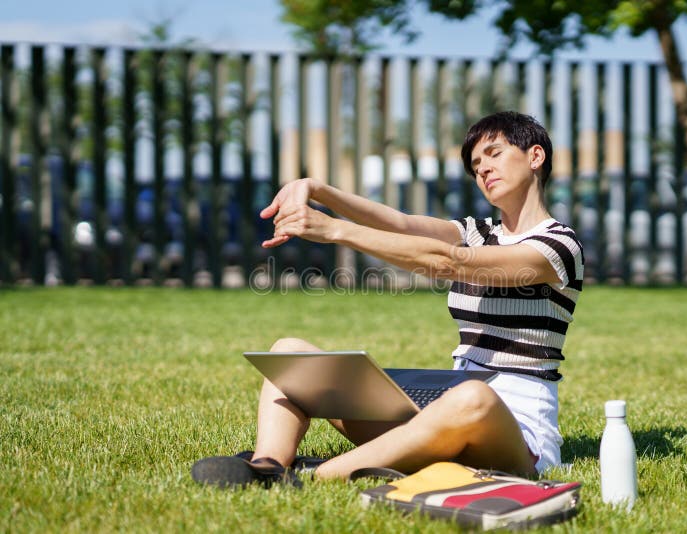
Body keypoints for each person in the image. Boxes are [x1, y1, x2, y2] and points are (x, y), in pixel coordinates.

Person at [191, 111, 583, 488]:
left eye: (493, 154)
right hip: (440, 414)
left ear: (535, 156)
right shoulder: (477, 230)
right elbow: (399, 224)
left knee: (474, 397)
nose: (482, 169)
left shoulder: (559, 245)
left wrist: (336, 230)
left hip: (514, 432)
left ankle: (317, 475)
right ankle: (267, 466)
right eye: (475, 164)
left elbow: (450, 263)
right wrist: (318, 189)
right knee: (290, 352)